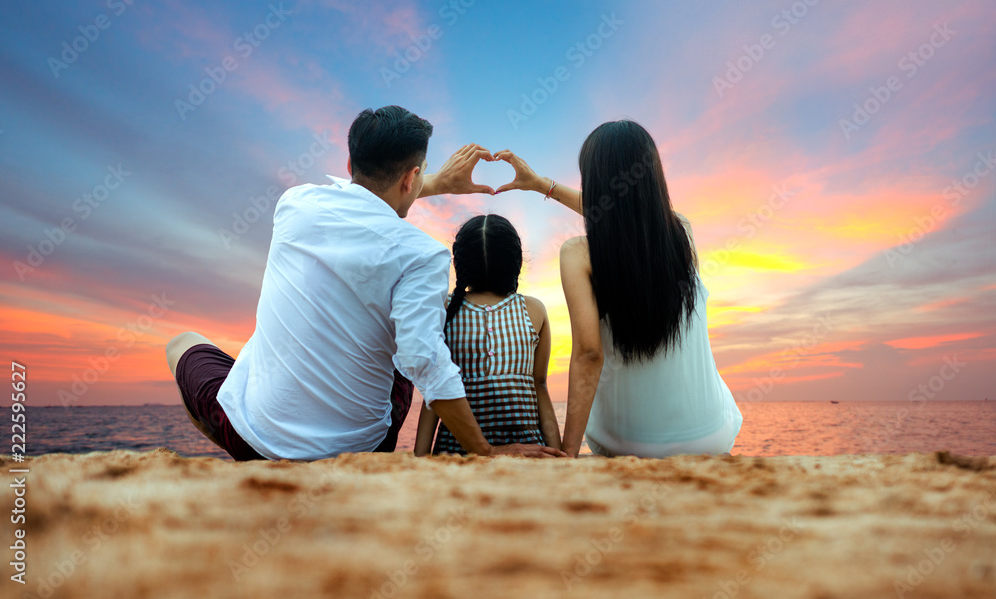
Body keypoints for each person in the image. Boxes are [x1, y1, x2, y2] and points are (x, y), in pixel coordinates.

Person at [165, 106, 566, 461]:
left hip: (251, 440)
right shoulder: (422, 254)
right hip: (359, 451)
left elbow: (370, 195)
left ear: (348, 164)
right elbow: (422, 360)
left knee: (179, 344)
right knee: (411, 339)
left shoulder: (294, 205)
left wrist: (434, 182)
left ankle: (248, 448)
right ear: (412, 176)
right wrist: (485, 452)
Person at [493, 120, 743, 458]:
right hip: (709, 438)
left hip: (626, 443)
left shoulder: (577, 254)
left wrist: (568, 453)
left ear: (592, 180)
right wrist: (542, 185)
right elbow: (630, 214)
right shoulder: (682, 233)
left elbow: (588, 354)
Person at [414, 215, 562, 456]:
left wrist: (421, 455)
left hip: (460, 455)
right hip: (514, 453)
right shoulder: (445, 309)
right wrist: (556, 451)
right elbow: (540, 386)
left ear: (460, 262)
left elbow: (434, 388)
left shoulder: (443, 308)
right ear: (515, 261)